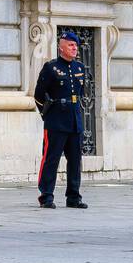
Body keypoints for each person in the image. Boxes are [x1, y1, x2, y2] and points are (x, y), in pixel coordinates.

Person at [33, 31, 88, 209]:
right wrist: (47, 115)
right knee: (51, 159)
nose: (74, 48)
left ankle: (73, 196)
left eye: (76, 46)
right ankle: (46, 196)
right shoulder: (51, 68)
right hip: (56, 121)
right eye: (71, 45)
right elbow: (38, 95)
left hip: (74, 120)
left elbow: (80, 94)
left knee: (75, 160)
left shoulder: (80, 68)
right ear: (61, 47)